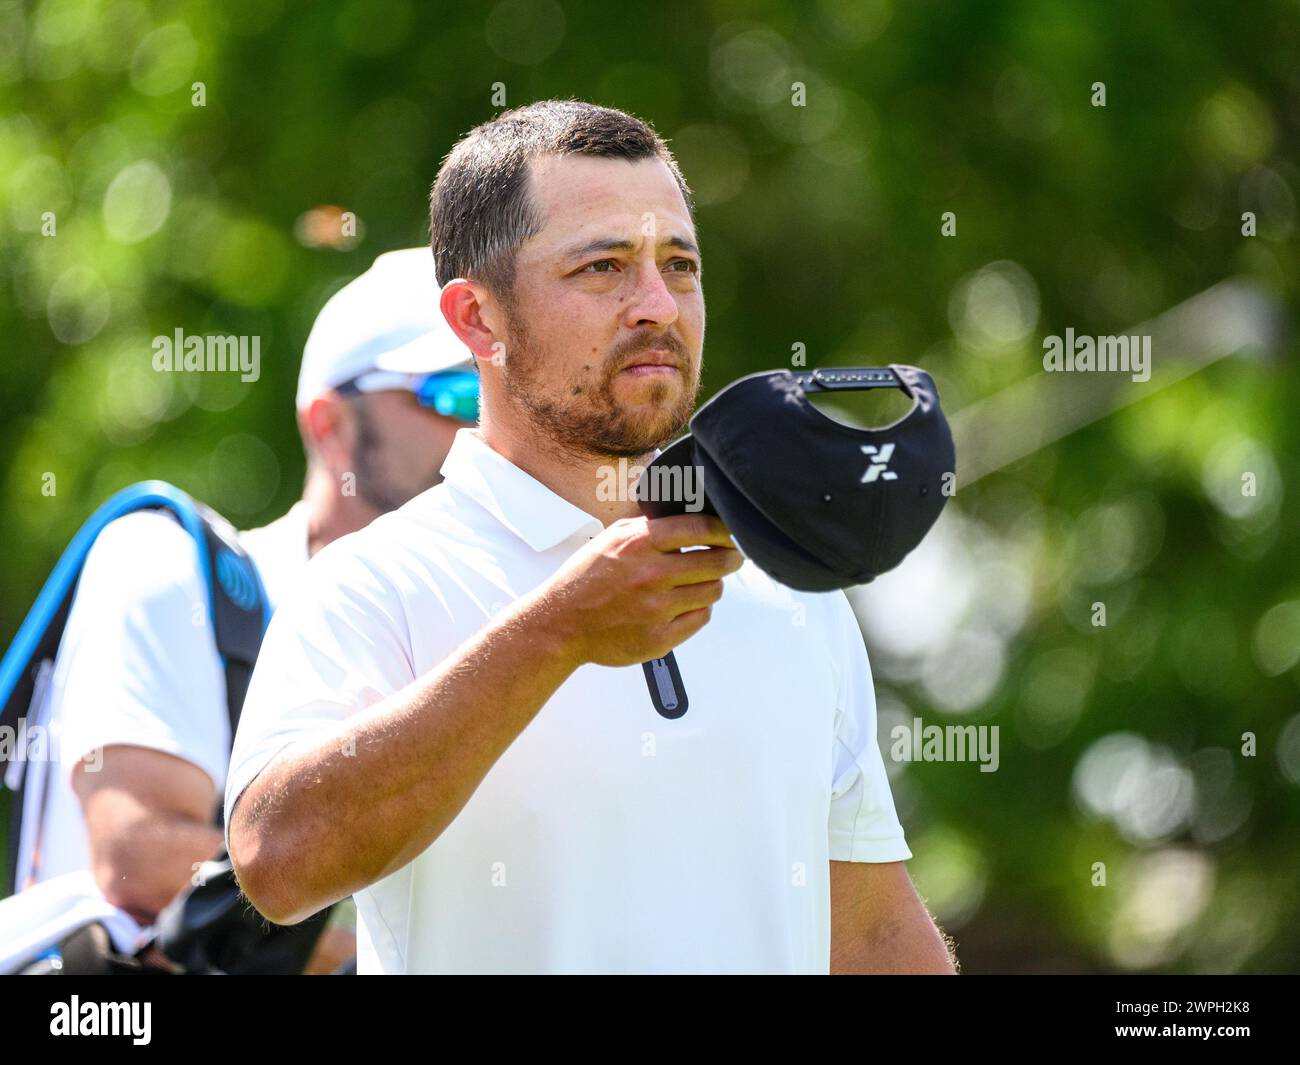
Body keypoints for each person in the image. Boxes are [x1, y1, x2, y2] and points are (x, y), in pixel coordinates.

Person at [226, 101, 958, 975]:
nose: (658, 306)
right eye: (603, 266)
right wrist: (558, 631)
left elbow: (874, 937)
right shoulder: (372, 581)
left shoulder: (790, 582)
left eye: (679, 265)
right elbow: (276, 862)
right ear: (476, 319)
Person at [8, 247, 477, 972]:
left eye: (499, 392)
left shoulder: (470, 633)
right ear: (328, 424)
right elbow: (141, 857)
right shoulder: (168, 565)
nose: (482, 425)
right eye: (453, 395)